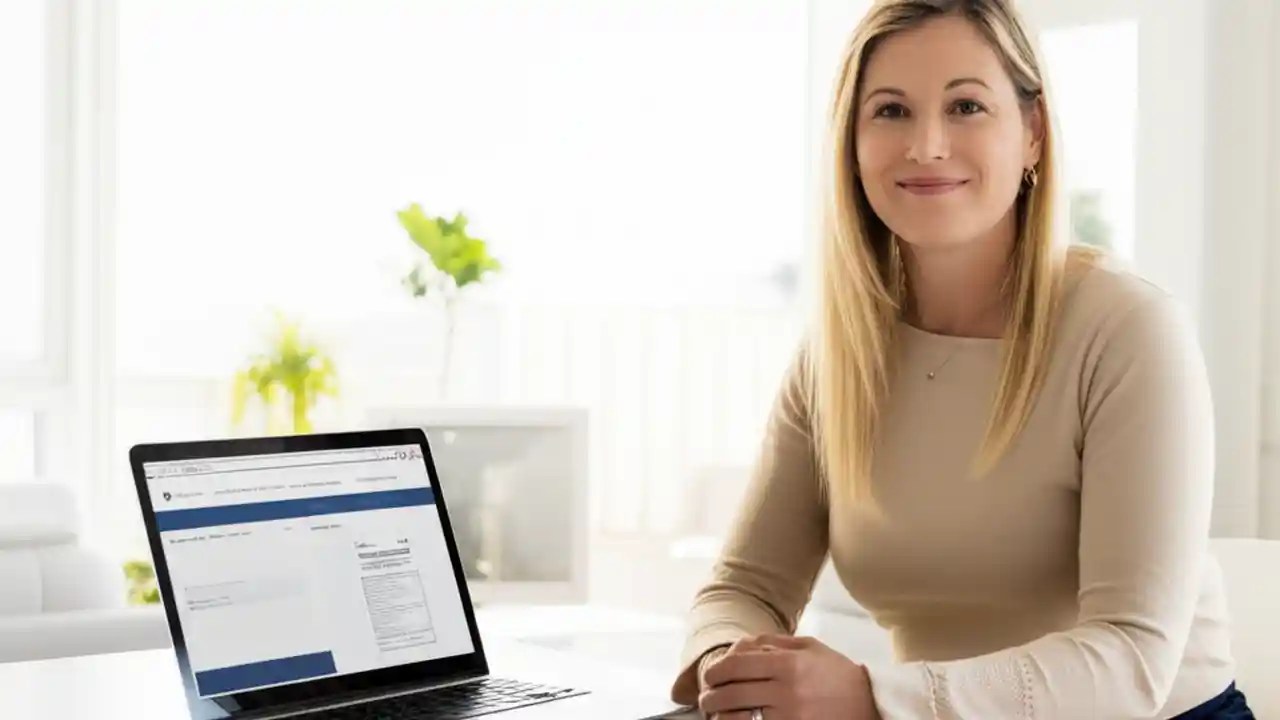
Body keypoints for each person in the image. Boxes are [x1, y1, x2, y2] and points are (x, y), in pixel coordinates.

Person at [670, 1, 1257, 718]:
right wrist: (730, 665)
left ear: (1032, 134)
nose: (926, 145)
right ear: (850, 144)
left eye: (966, 105)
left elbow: (1129, 660)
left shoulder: (1129, 329)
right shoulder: (840, 350)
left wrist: (870, 698)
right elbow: (745, 587)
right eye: (889, 112)